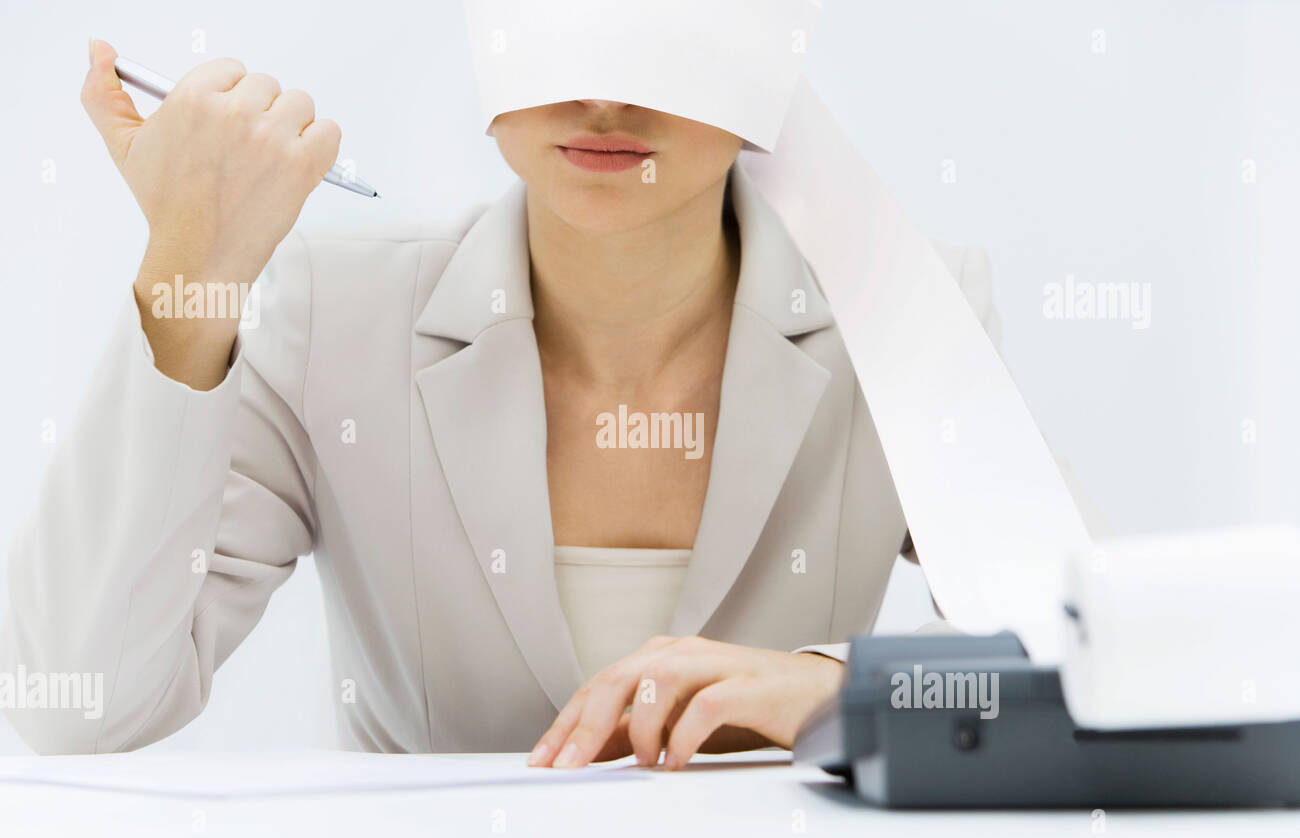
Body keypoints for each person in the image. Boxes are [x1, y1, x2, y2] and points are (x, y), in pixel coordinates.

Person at [0, 36, 1023, 767]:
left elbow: (1091, 668)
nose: (605, 95)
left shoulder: (900, 309)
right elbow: (83, 711)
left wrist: (845, 686)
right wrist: (195, 278)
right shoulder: (331, 314)